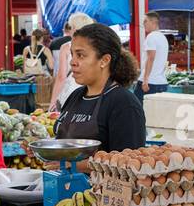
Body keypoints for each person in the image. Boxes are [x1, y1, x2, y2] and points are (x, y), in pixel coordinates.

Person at [56, 23, 146, 151]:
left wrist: (73, 164)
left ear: (104, 60)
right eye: (72, 54)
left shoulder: (124, 104)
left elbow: (128, 162)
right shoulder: (75, 96)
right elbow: (62, 144)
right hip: (62, 172)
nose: (72, 62)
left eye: (80, 55)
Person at [51, 12, 93, 109]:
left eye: (70, 27)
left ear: (75, 28)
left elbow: (61, 76)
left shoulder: (66, 47)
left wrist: (53, 100)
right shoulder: (95, 46)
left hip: (72, 92)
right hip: (91, 91)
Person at [139, 12, 169, 100]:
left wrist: (145, 80)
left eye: (145, 21)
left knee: (138, 111)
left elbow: (151, 58)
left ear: (153, 22)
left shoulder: (151, 37)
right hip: (161, 82)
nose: (143, 23)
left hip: (150, 83)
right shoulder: (163, 38)